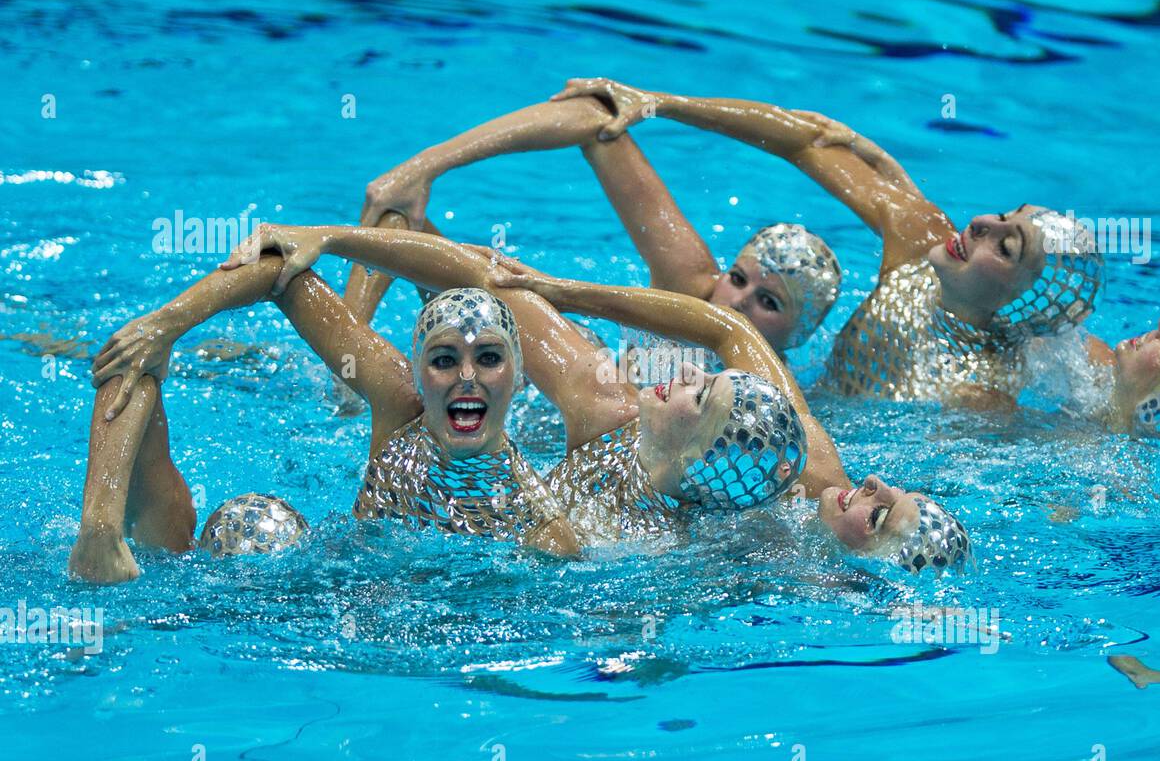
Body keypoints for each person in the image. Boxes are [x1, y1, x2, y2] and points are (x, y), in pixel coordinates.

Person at [355, 81, 1103, 405]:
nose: (983, 225)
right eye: (1006, 215)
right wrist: (424, 168)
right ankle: (350, 373)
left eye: (1009, 248)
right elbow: (596, 115)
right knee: (407, 238)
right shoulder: (920, 240)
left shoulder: (985, 395)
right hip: (540, 394)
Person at [219, 224, 811, 547]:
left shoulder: (647, 549)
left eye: (701, 393)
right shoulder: (608, 406)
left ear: (696, 457)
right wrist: (328, 238)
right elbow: (487, 276)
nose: (684, 369)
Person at [70, 236, 579, 584]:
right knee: (246, 524)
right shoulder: (399, 403)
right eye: (445, 360)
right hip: (310, 582)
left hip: (362, 643)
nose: (467, 377)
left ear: (517, 375)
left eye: (488, 358)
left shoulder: (542, 532)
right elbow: (277, 272)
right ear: (420, 372)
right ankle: (100, 536)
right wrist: (168, 324)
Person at [481, 258, 971, 573]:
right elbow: (728, 328)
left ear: (874, 565)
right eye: (899, 491)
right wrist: (562, 291)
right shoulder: (809, 461)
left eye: (881, 514)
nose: (874, 481)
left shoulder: (786, 586)